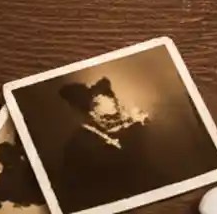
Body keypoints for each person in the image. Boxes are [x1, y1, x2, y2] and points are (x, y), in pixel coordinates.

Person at [57, 77, 158, 209]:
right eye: (109, 117)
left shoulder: (121, 131)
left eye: (117, 112)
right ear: (90, 113)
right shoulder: (77, 146)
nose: (119, 119)